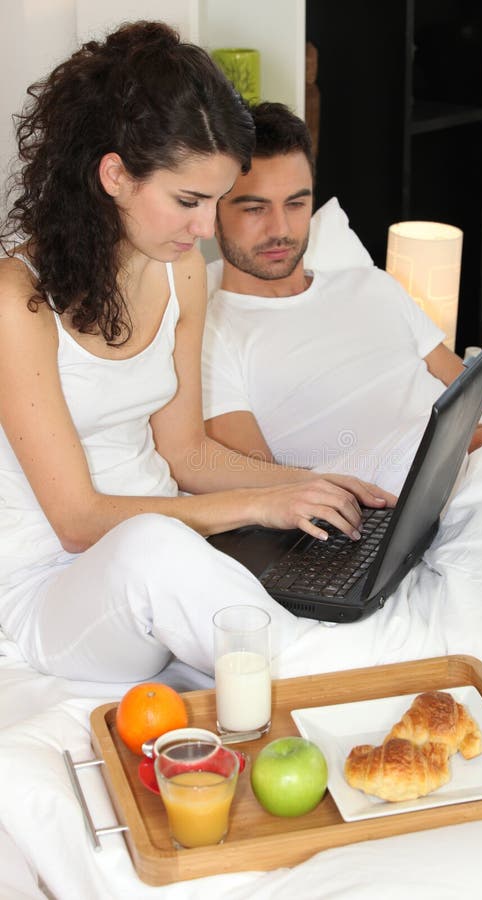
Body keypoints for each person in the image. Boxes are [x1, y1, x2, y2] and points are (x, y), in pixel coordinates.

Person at [0, 23, 393, 683]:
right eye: (188, 201)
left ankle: (345, 664)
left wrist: (306, 485)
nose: (206, 229)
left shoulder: (178, 273)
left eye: (215, 202)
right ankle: (344, 683)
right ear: (114, 175)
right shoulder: (18, 302)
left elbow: (186, 452)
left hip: (171, 549)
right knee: (154, 549)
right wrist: (255, 505)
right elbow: (77, 520)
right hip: (53, 590)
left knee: (194, 551)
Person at [202, 102, 482, 491]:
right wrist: (450, 448)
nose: (281, 229)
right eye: (255, 208)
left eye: (296, 204)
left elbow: (476, 395)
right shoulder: (211, 337)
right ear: (212, 211)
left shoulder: (372, 285)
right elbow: (265, 488)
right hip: (409, 498)